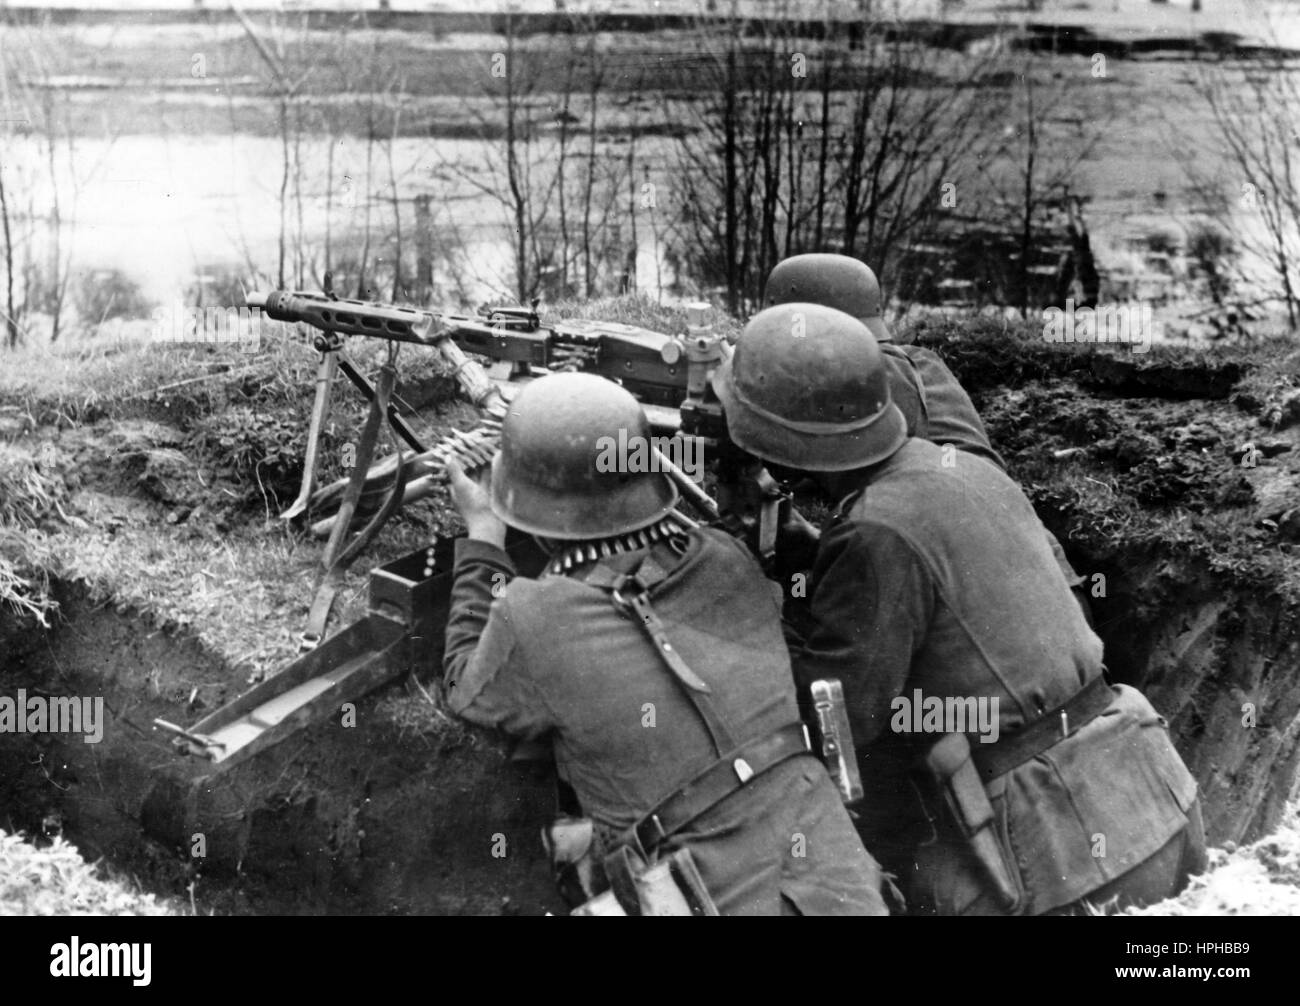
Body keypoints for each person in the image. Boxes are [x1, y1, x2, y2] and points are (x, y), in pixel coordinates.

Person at [712, 303, 1207, 916]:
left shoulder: (875, 532)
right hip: (1151, 804)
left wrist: (746, 608)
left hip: (1052, 861)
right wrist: (802, 554)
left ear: (783, 447)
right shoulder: (964, 472)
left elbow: (842, 717)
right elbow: (947, 602)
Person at [440, 371, 888, 916]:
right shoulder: (727, 556)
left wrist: (484, 535)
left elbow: (466, 689)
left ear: (528, 512)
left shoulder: (534, 614)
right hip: (841, 883)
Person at [765, 252, 1087, 601]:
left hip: (985, 593)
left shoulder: (858, 386)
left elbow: (785, 453)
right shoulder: (921, 362)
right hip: (1051, 582)